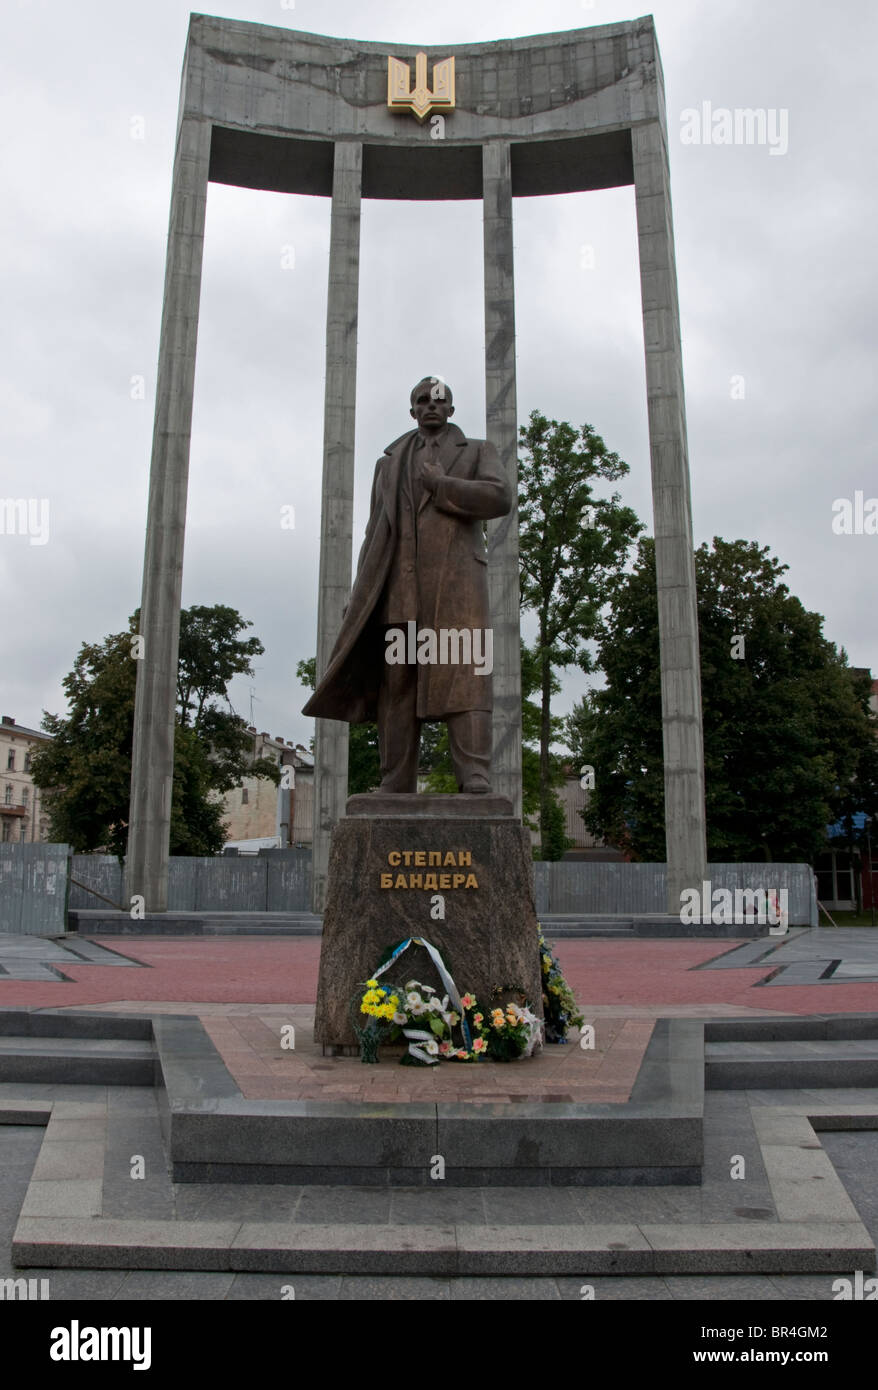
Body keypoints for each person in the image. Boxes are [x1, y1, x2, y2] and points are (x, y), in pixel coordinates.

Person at [302, 377, 511, 793]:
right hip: (400, 588)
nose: (430, 406)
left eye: (439, 400)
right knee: (397, 683)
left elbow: (499, 498)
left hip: (457, 587)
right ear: (412, 410)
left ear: (450, 408)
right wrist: (361, 594)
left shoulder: (478, 451)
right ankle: (395, 780)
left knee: (466, 674)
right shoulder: (389, 462)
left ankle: (474, 774)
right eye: (422, 401)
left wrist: (442, 486)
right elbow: (374, 532)